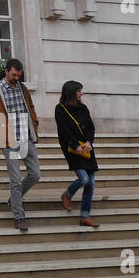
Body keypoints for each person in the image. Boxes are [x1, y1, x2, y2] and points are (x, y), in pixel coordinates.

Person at [0, 58, 40, 231]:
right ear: (6, 71)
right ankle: (19, 216)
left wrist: (34, 121)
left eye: (19, 76)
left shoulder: (23, 88)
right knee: (15, 179)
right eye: (14, 75)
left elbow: (31, 107)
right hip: (10, 140)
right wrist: (0, 122)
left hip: (26, 138)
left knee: (35, 174)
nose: (16, 78)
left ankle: (15, 198)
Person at [55, 79, 100, 228]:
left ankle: (84, 216)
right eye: (79, 90)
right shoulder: (60, 109)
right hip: (72, 149)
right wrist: (75, 146)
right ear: (72, 92)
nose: (82, 93)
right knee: (84, 179)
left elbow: (90, 127)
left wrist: (89, 142)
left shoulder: (83, 108)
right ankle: (67, 195)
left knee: (91, 183)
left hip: (86, 149)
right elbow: (63, 130)